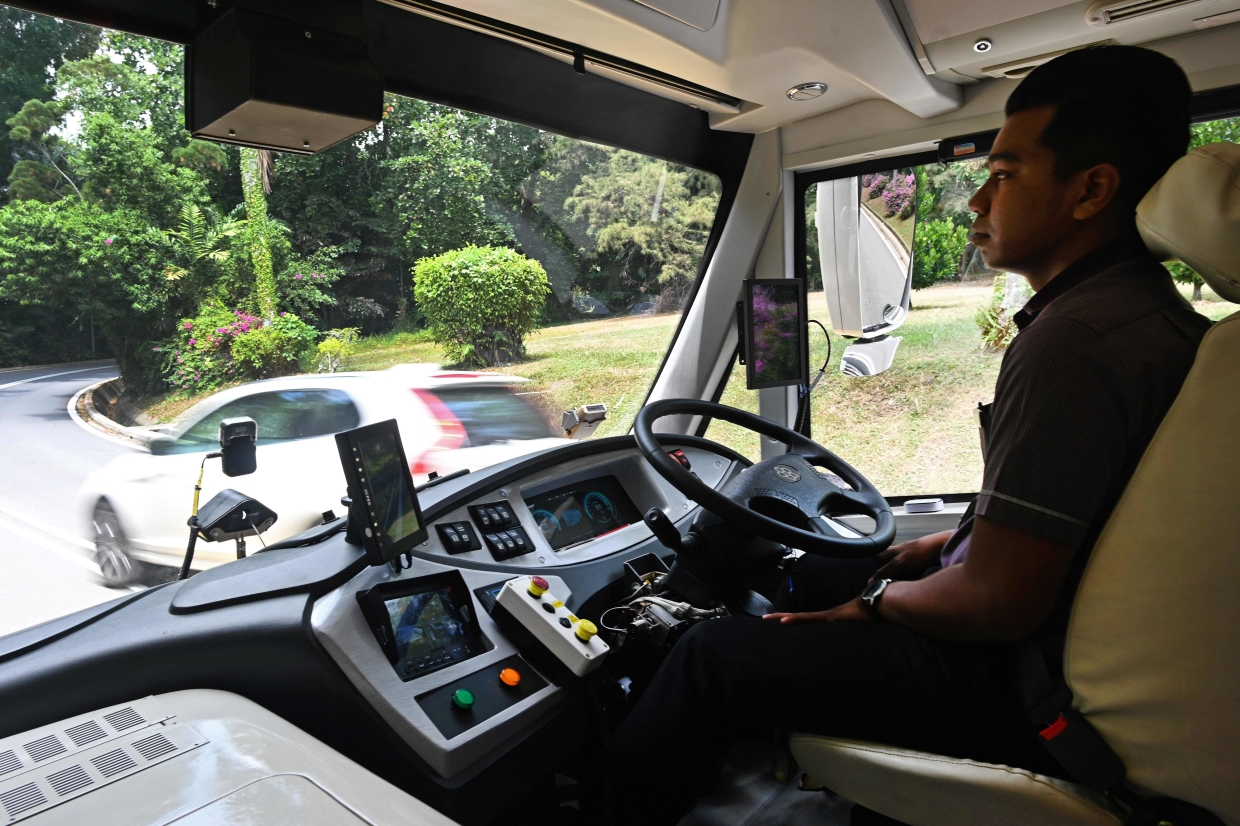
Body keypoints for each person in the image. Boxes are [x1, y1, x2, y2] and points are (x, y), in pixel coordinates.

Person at [580, 45, 1213, 825]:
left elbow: (999, 601)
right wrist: (944, 545)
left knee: (713, 657)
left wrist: (875, 607)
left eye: (1006, 175)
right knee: (817, 574)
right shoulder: (1153, 319)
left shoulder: (1077, 342)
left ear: (1091, 190)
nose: (978, 201)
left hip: (1027, 688)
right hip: (1054, 644)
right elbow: (1073, 515)